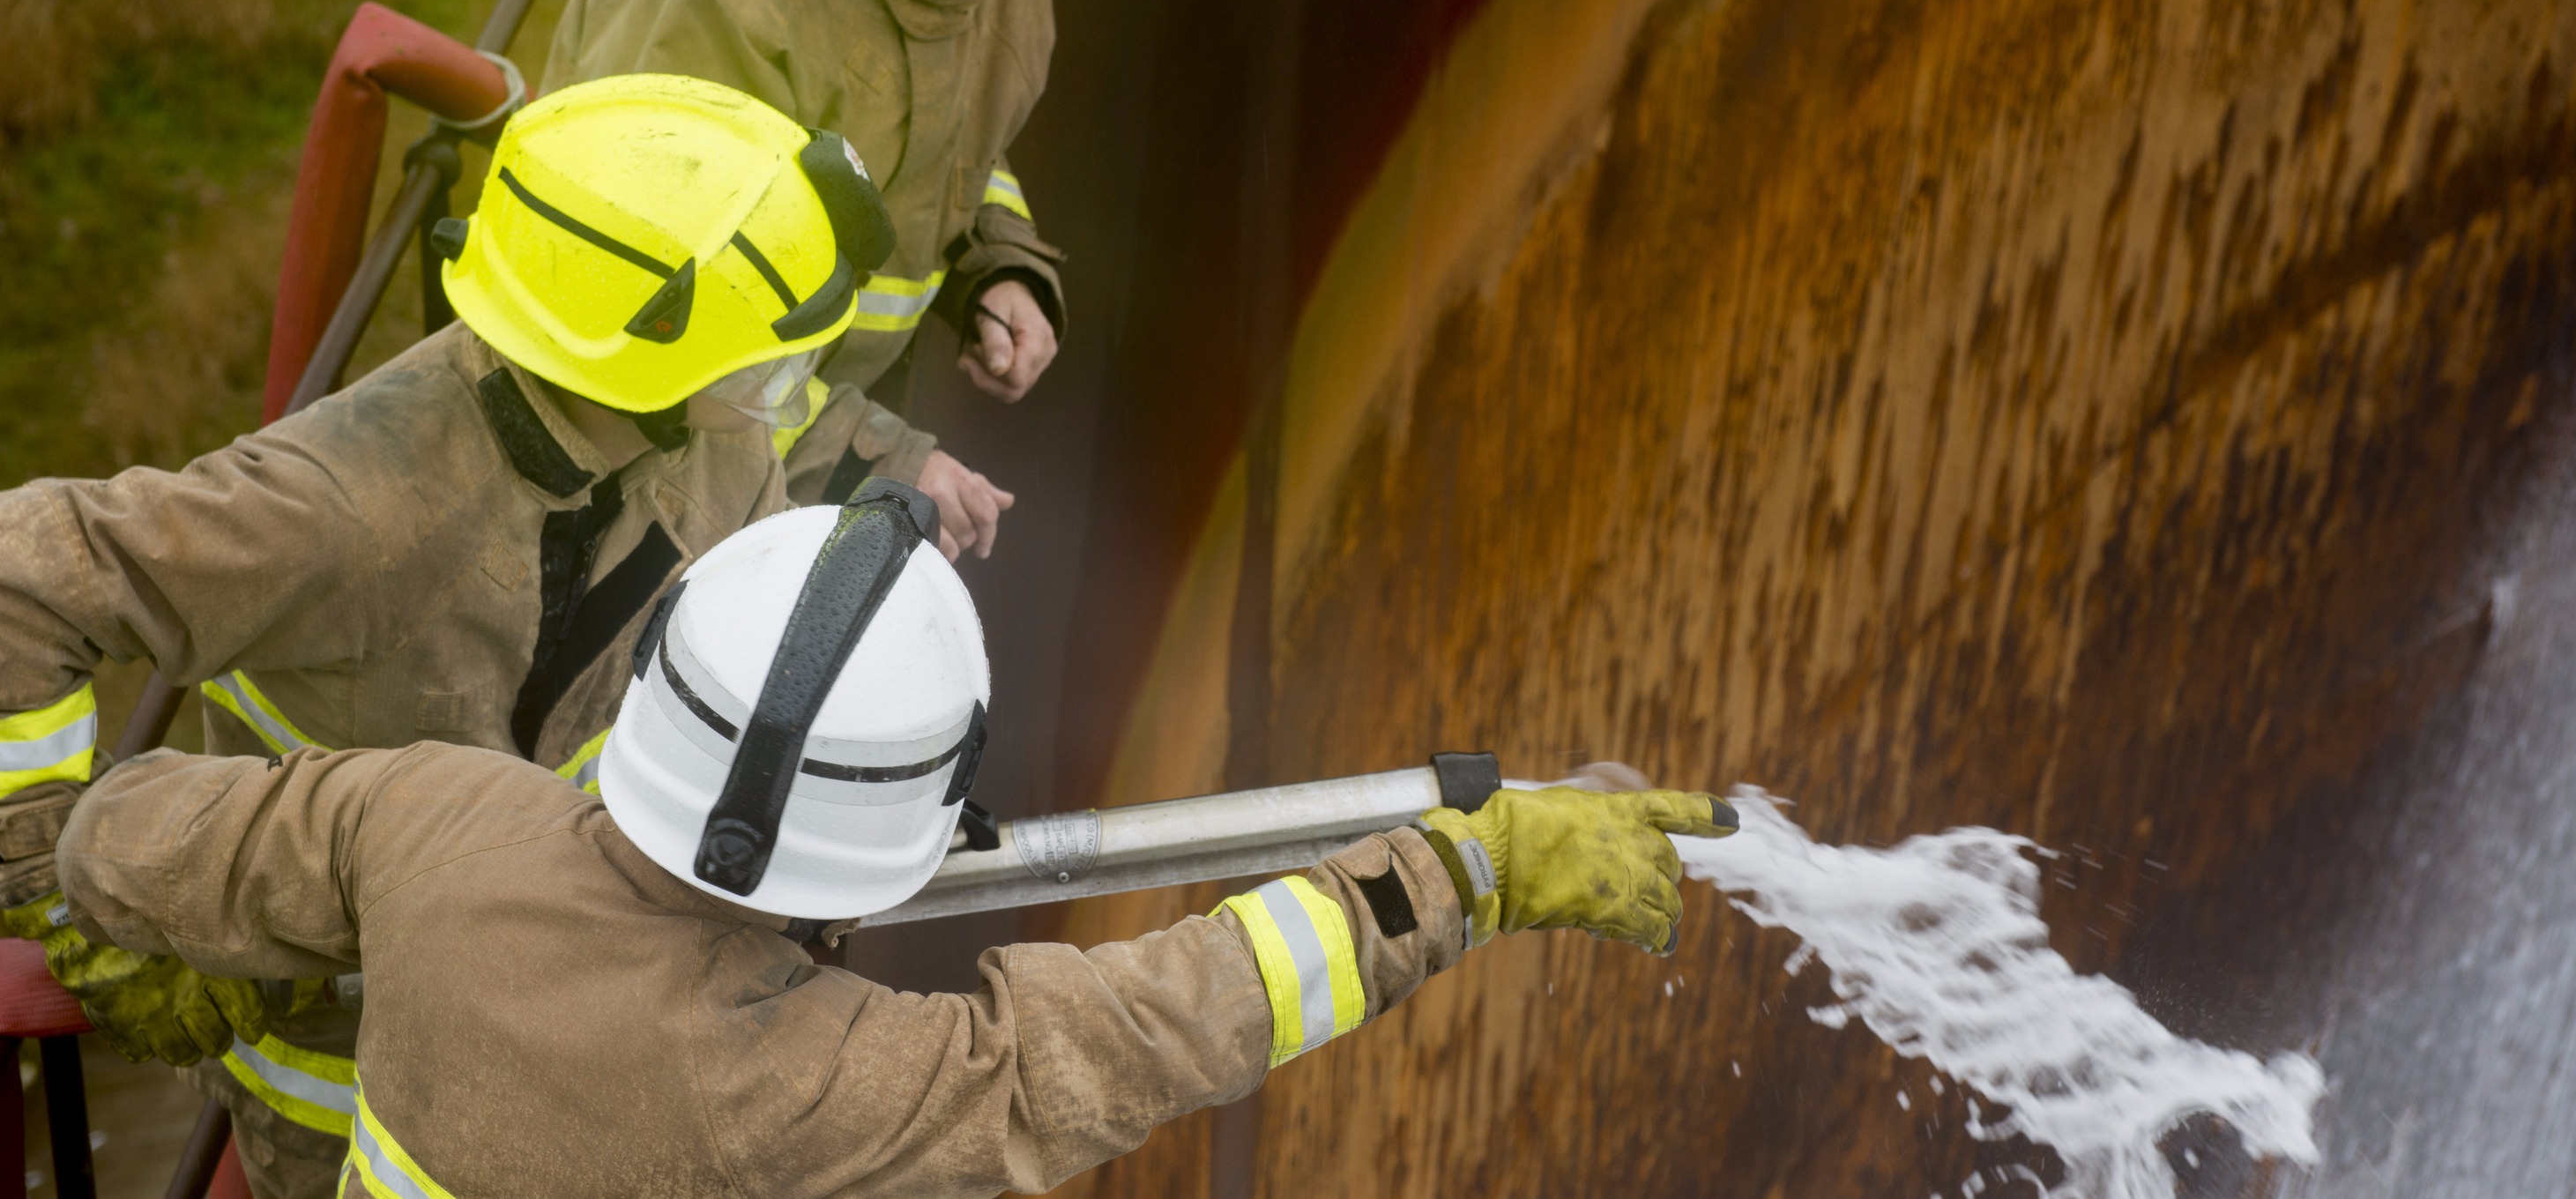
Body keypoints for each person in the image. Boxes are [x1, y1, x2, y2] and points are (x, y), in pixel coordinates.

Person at [11, 480, 1738, 1198]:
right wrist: (1462, 872)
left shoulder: (432, 814)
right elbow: (1145, 1029)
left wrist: (58, 857)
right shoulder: (784, 1080)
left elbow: (160, 844)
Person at [0, 72, 900, 1199]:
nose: (788, 388)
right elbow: (22, 580)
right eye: (769, 361)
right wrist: (55, 879)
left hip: (563, 986)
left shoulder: (706, 436)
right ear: (639, 358)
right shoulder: (351, 505)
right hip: (343, 1054)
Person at [545, 0, 1139, 562]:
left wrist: (993, 263)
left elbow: (962, 143)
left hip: (783, 456)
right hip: (601, 478)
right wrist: (872, 457)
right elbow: (648, 316)